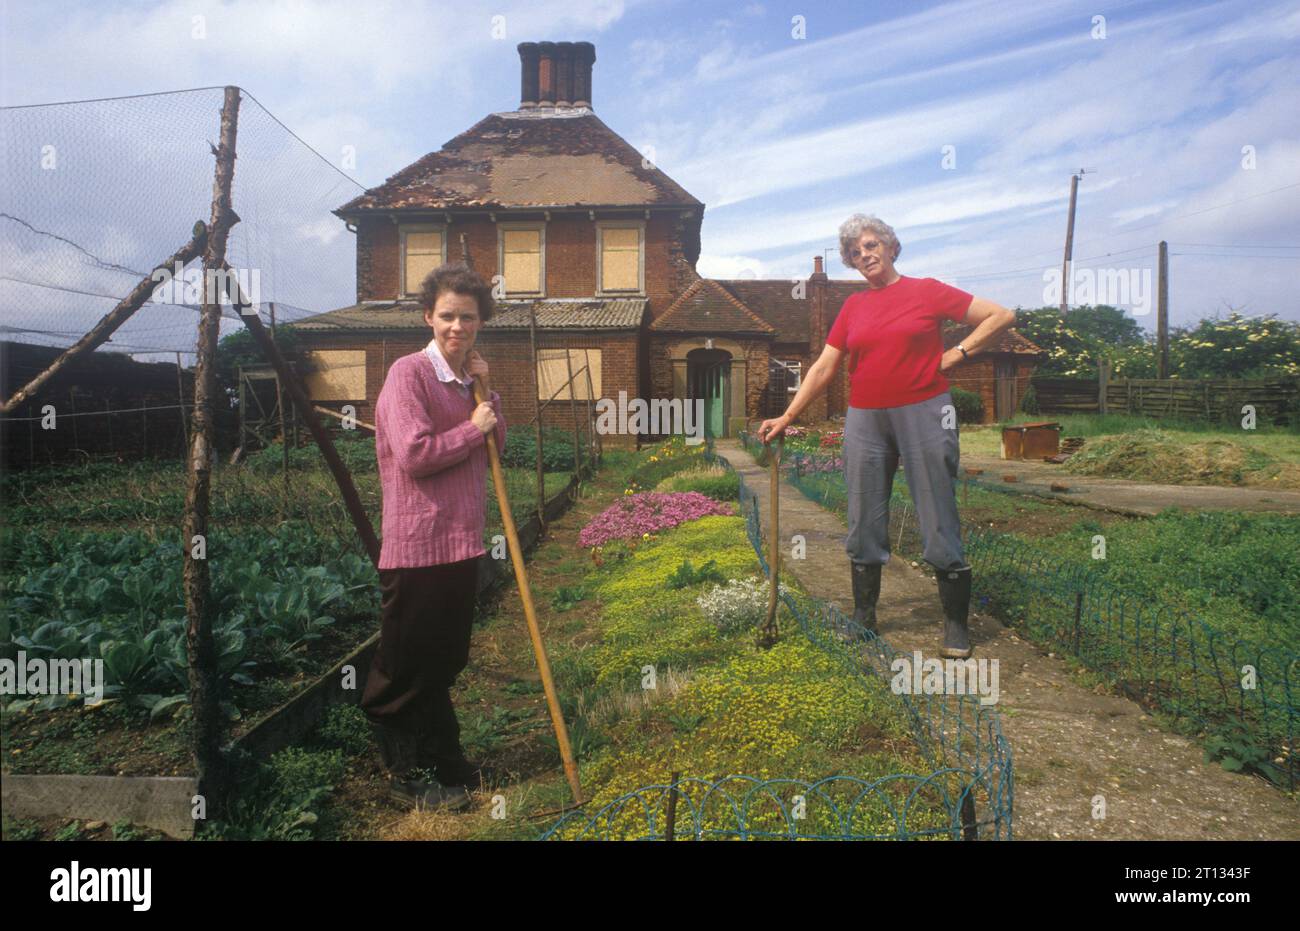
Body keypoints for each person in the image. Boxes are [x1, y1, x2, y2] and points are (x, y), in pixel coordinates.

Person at [758, 215, 1015, 658]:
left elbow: (1001, 315)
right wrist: (787, 415)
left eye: (872, 245)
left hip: (925, 410)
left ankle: (956, 625)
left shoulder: (927, 291)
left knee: (936, 511)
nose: (865, 255)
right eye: (855, 252)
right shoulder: (853, 308)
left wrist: (957, 353)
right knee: (862, 515)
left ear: (892, 247)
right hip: (865, 418)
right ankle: (865, 616)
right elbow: (824, 366)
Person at [361, 262, 506, 811]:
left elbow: (496, 448)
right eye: (447, 316)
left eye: (467, 317)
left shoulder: (467, 381)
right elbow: (416, 455)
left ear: (480, 322)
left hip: (461, 542)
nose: (457, 327)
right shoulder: (409, 375)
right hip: (418, 546)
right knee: (405, 664)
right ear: (428, 317)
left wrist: (486, 395)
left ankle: (446, 760)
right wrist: (473, 427)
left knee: (443, 660)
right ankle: (404, 776)